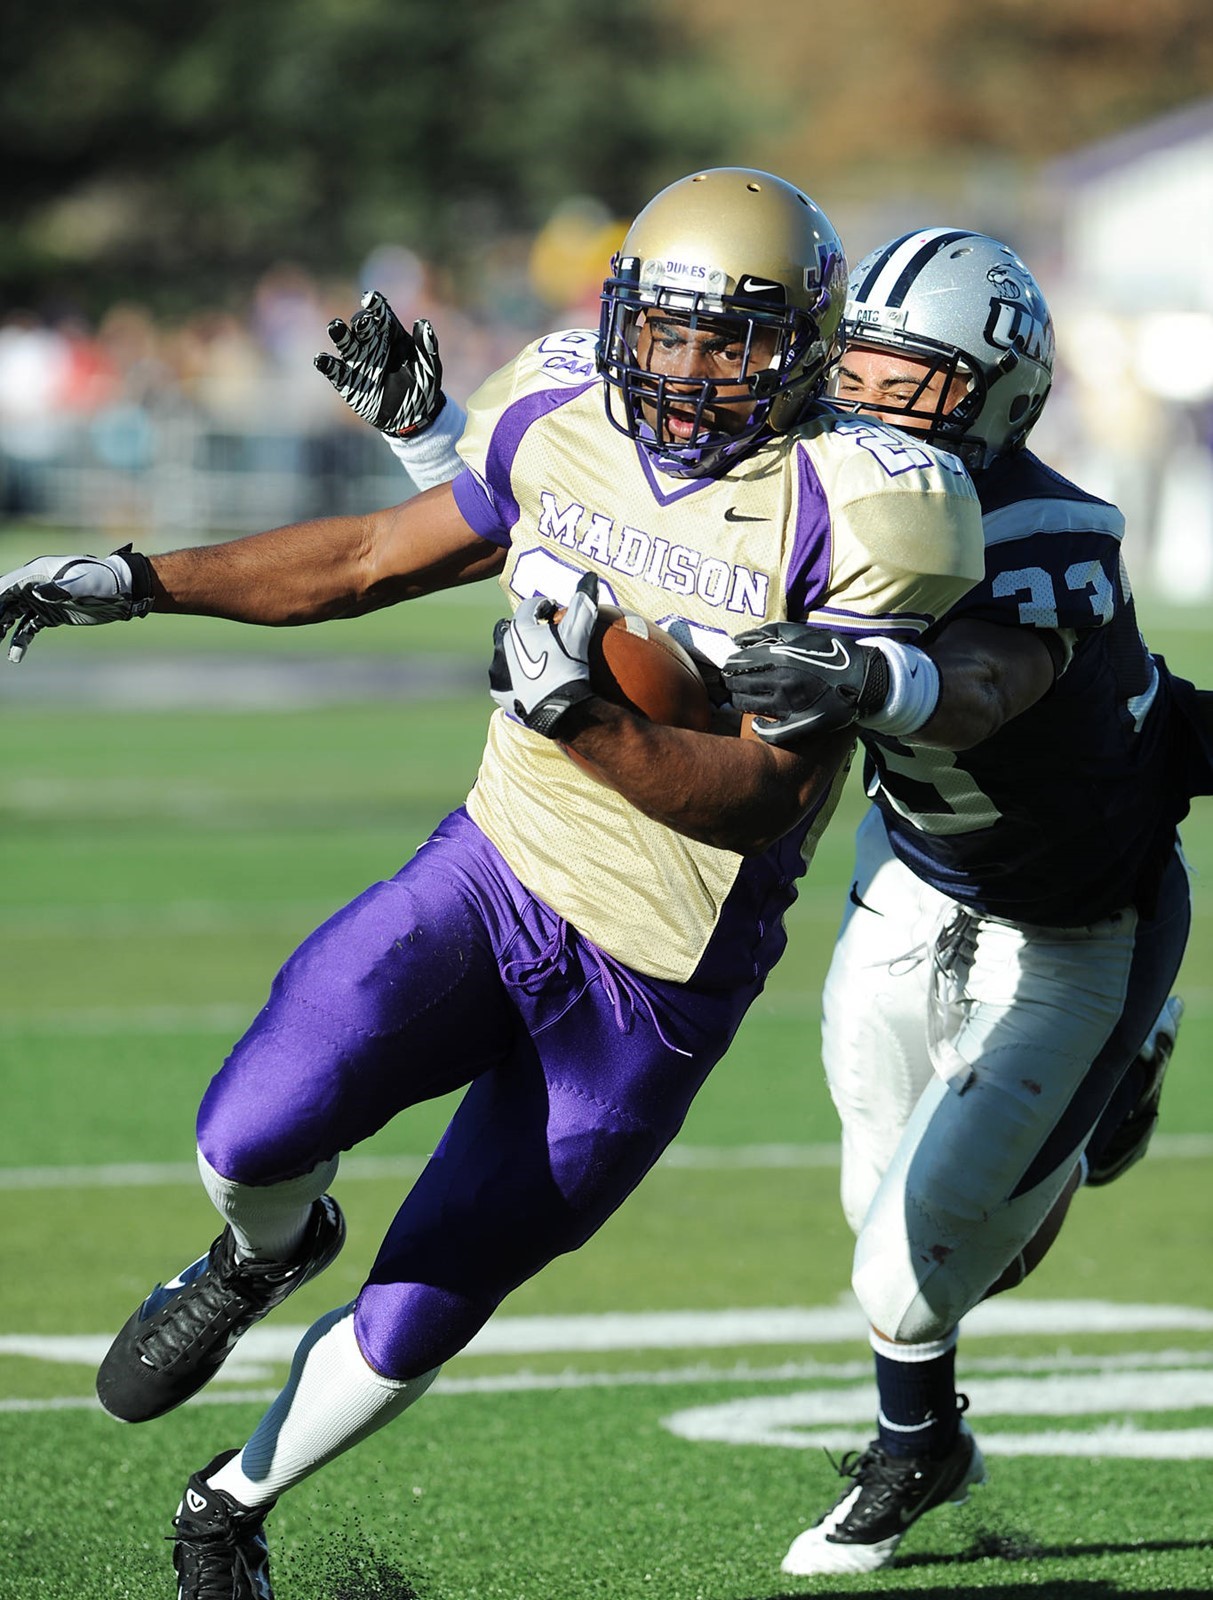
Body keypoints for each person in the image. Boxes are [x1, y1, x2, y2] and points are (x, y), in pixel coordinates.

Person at [0, 171, 986, 1600]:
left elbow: (766, 798)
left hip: (662, 966)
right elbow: (366, 558)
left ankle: (229, 1505)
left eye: (731, 339)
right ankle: (266, 1253)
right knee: (248, 1133)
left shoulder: (870, 505)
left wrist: (585, 718)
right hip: (497, 869)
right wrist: (141, 578)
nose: (686, 367)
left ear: (808, 346)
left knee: (434, 1293)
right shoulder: (558, 401)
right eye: (665, 329)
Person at [719, 227, 1207, 1575]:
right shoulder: (812, 474)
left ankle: (909, 1450)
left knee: (907, 1267)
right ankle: (934, 1426)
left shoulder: (1045, 527)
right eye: (857, 367)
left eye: (913, 378)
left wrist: (866, 679)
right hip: (914, 872)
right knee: (909, 1227)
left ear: (999, 397)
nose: (871, 401)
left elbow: (986, 684)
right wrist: (433, 442)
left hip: (1079, 923)